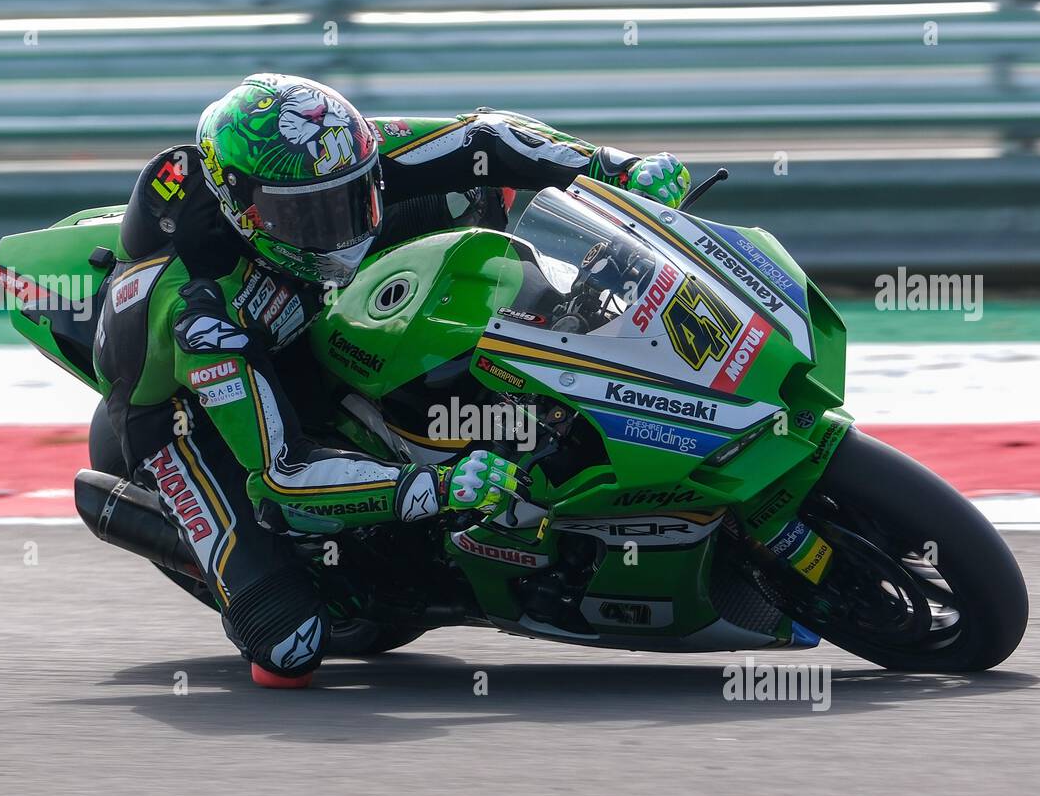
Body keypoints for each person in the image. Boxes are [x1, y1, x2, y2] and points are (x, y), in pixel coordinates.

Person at [93, 73, 692, 688]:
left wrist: (612, 166)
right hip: (180, 412)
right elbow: (284, 473)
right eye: (307, 213)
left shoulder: (332, 152)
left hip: (297, 310)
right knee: (288, 652)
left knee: (464, 198)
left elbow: (481, 137)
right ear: (241, 206)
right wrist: (437, 486)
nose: (338, 227)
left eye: (351, 198)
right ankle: (162, 524)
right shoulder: (201, 314)